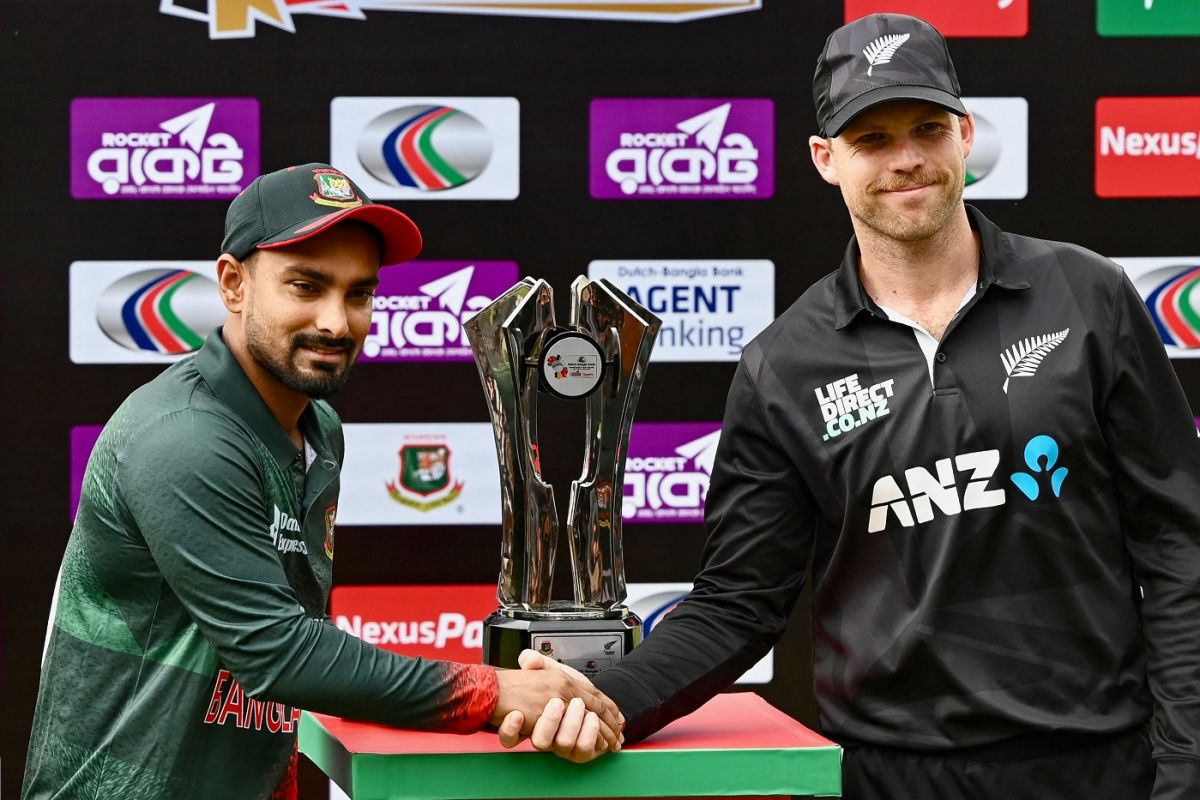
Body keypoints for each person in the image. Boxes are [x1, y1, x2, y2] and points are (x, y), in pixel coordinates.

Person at [531, 13, 1200, 799]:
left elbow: (1178, 546)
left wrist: (1186, 765)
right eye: (872, 140)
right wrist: (606, 699)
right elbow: (739, 604)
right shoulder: (784, 364)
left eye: (925, 127)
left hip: (1097, 770)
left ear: (965, 133)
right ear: (826, 158)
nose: (906, 158)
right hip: (887, 777)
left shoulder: (1088, 295)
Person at [22, 163, 621, 800]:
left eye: (358, 293)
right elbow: (278, 654)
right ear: (233, 284)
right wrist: (497, 690)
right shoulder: (184, 436)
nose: (337, 322)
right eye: (305, 286)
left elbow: (290, 663)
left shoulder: (319, 429)